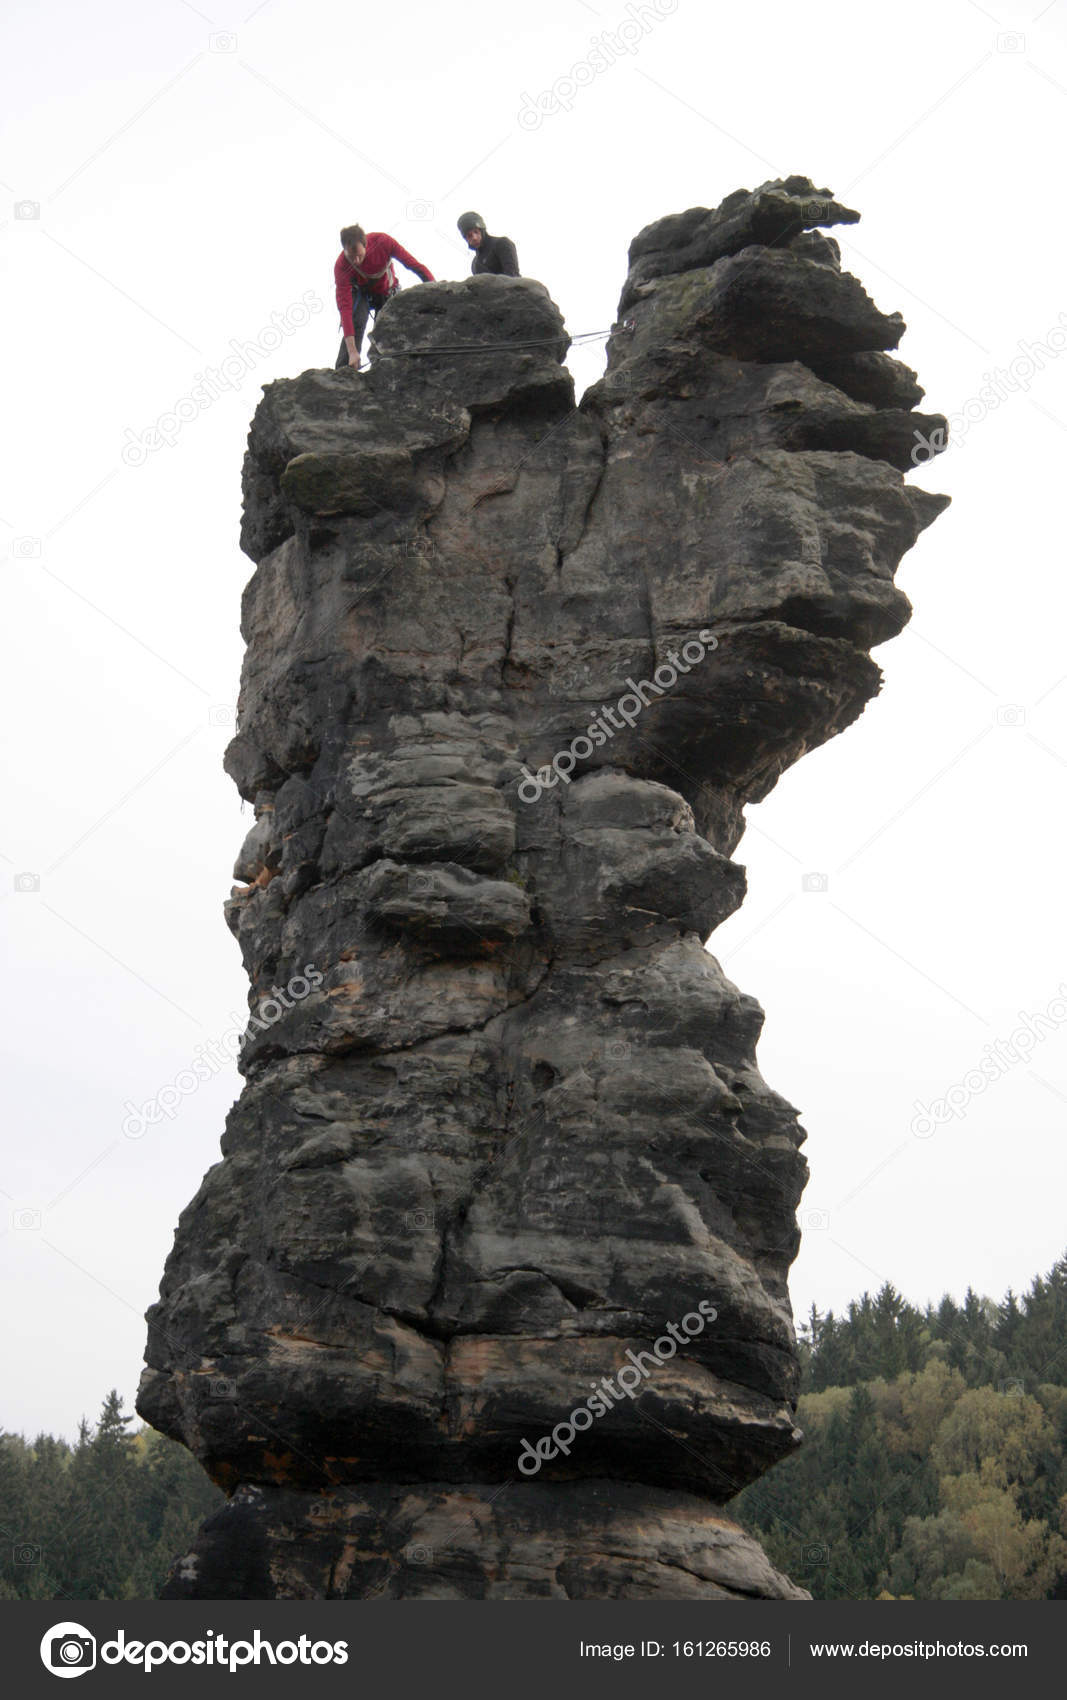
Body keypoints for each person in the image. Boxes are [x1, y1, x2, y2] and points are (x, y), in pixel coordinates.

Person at [334, 224, 435, 369]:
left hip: (386, 290)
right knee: (357, 318)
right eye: (351, 256)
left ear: (366, 245)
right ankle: (345, 368)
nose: (356, 261)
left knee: (387, 326)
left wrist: (434, 287)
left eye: (359, 255)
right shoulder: (341, 265)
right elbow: (345, 307)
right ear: (344, 250)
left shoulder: (382, 242)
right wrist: (352, 352)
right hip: (362, 293)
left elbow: (413, 265)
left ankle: (382, 366)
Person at [456, 212, 520, 277]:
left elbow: (513, 277)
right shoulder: (475, 264)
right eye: (470, 236)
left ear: (482, 231)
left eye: (476, 232)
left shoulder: (502, 244)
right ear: (466, 239)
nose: (474, 238)